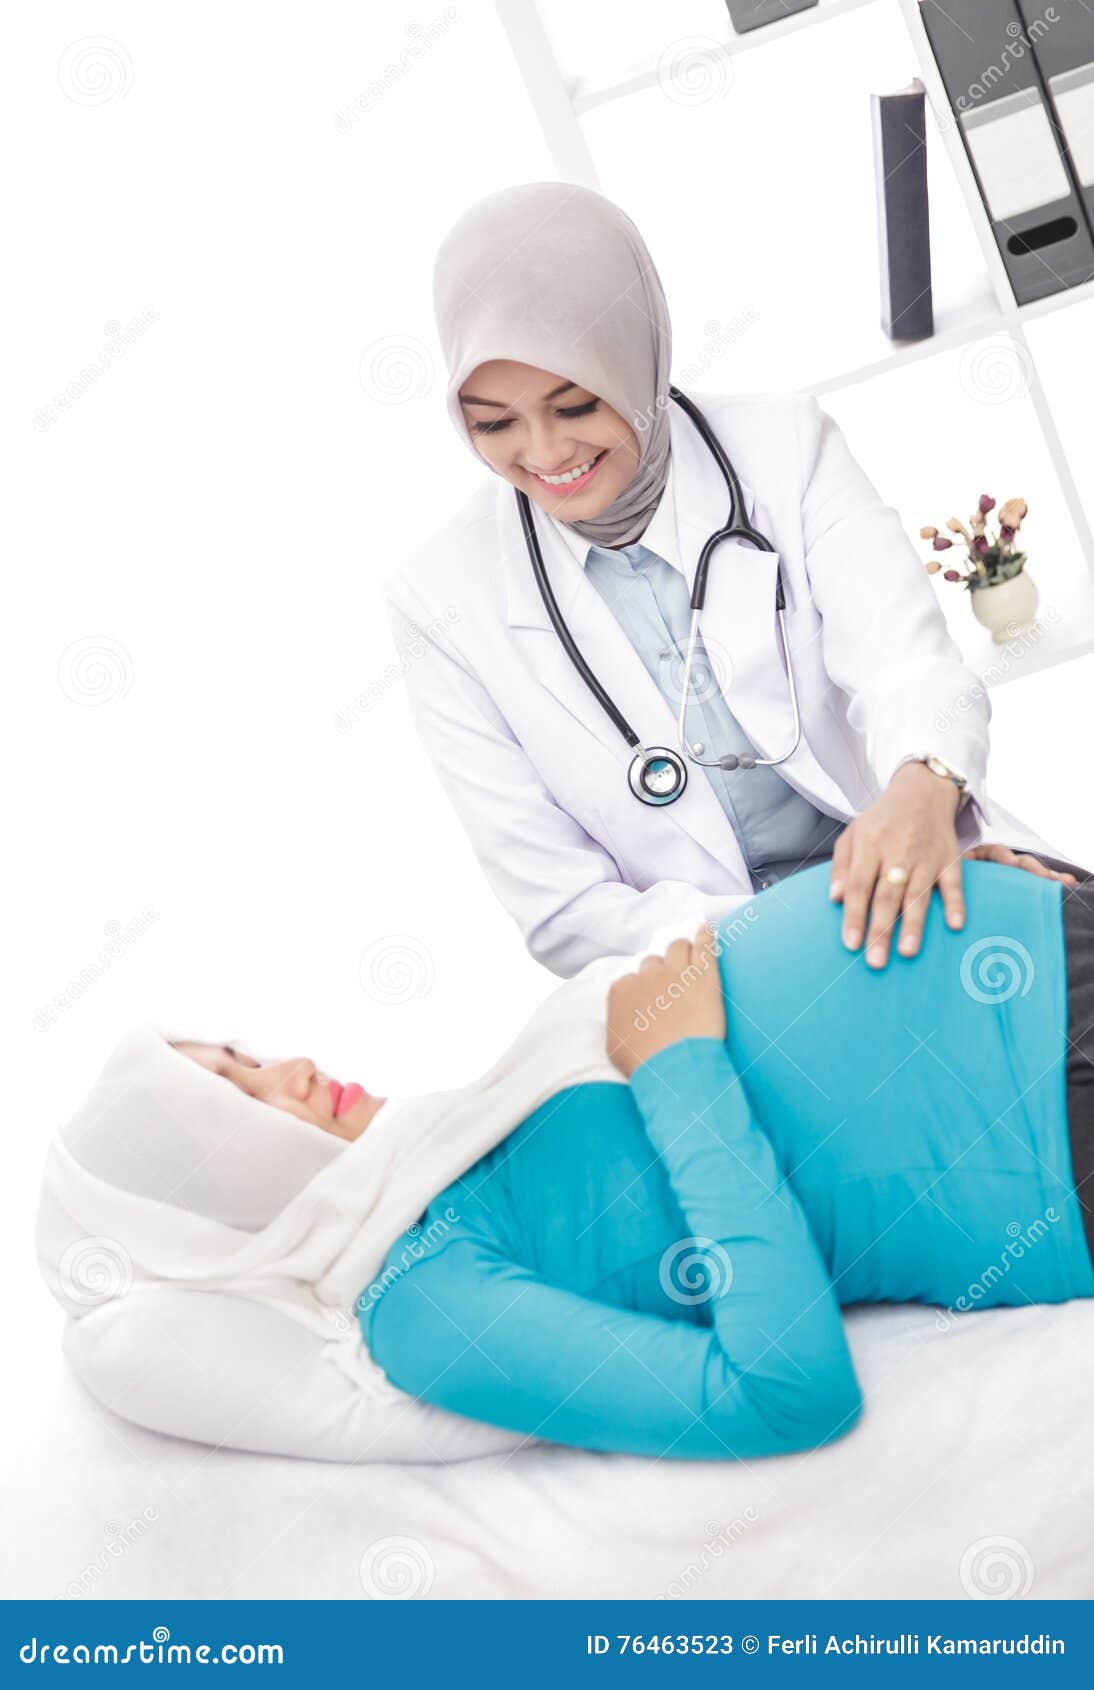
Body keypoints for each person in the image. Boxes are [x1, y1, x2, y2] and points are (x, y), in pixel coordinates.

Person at [174, 859, 1094, 1462]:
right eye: (239, 1096)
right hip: (1043, 1115)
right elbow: (786, 1394)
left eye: (246, 1058)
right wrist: (679, 1068)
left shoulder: (449, 1140)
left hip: (1039, 925)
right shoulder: (416, 1305)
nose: (288, 1070)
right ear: (218, 1194)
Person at [384, 180, 1078, 980]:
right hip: (724, 976)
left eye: (575, 404)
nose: (543, 455)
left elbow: (910, 669)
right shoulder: (441, 600)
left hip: (920, 879)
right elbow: (563, 912)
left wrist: (926, 787)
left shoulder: (786, 447)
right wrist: (814, 924)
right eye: (494, 423)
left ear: (633, 356)